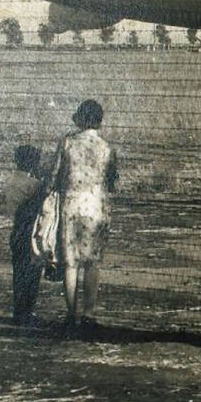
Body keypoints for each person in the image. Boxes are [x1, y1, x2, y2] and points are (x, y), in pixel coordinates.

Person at [49, 99, 118, 337]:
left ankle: (71, 314)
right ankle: (89, 314)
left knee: (71, 263)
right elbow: (111, 181)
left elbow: (54, 175)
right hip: (96, 207)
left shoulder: (67, 143)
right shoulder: (107, 148)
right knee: (92, 262)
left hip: (71, 206)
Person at [5, 144, 48, 325]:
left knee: (18, 273)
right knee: (33, 272)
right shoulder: (33, 185)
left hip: (16, 231)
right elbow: (43, 198)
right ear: (34, 163)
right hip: (30, 232)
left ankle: (18, 311)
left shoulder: (12, 181)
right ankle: (27, 312)